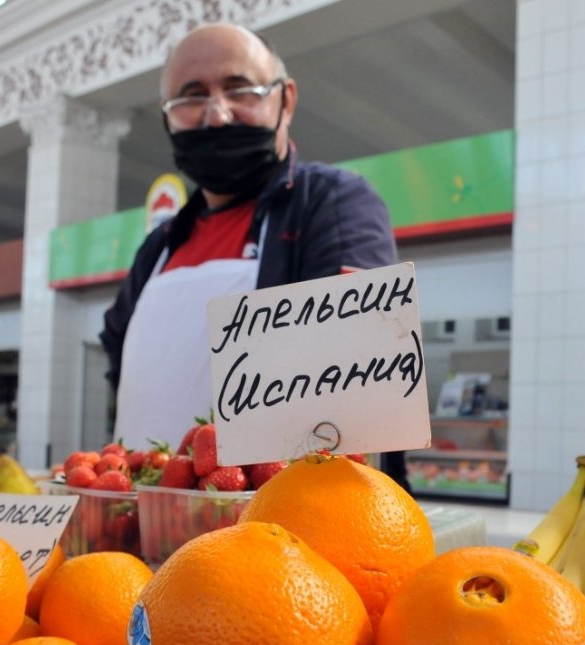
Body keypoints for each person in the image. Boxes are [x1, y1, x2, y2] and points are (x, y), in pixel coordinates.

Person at [99, 22, 399, 452]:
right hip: (143, 508)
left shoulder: (331, 202)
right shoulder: (159, 245)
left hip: (275, 513)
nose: (217, 115)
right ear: (168, 114)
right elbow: (117, 347)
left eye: (240, 91)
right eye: (191, 96)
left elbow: (361, 369)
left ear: (286, 100)